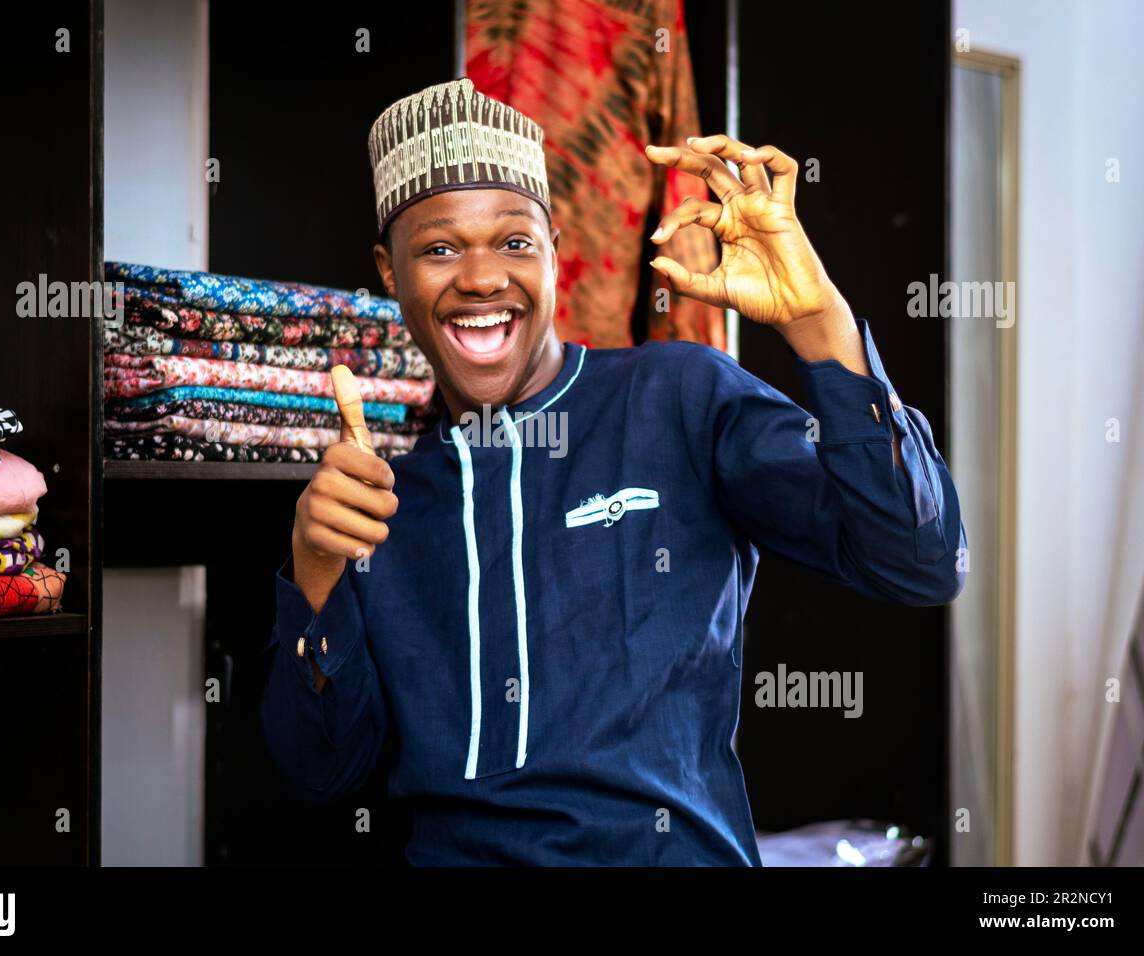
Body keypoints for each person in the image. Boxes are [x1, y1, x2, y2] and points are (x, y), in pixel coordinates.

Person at [261, 77, 966, 865]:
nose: (484, 278)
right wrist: (316, 570)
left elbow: (920, 560)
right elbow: (319, 778)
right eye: (439, 248)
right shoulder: (382, 504)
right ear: (390, 273)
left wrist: (818, 321)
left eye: (515, 241)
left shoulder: (680, 399)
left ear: (557, 251)